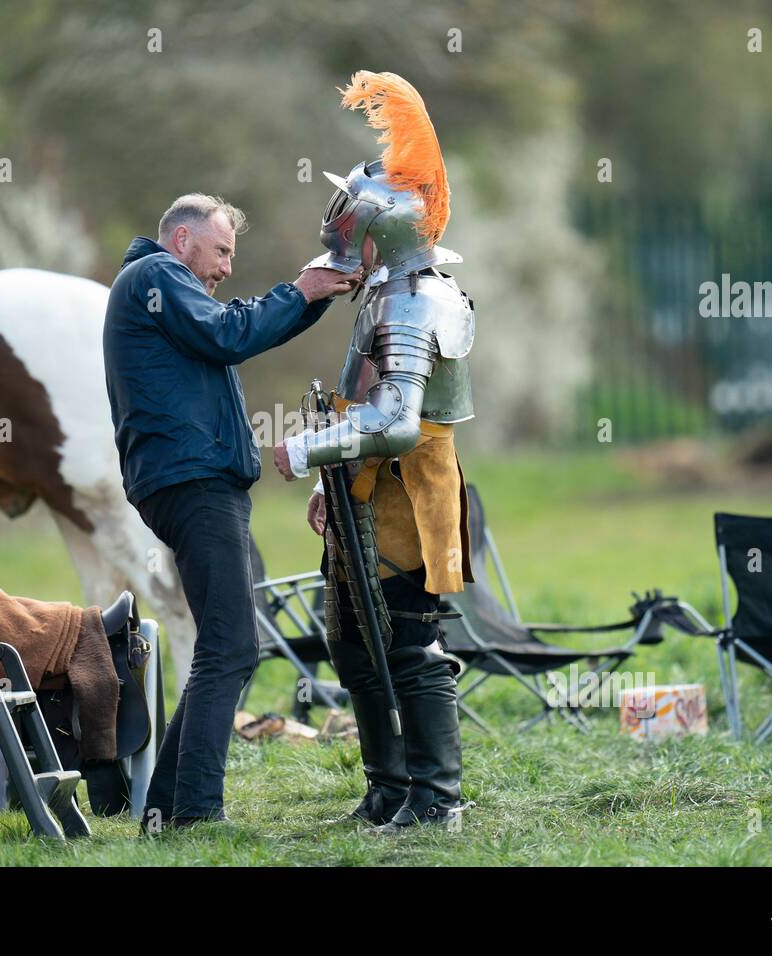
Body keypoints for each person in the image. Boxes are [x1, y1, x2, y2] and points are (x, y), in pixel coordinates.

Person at [104, 193, 359, 830]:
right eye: (220, 251)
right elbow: (228, 334)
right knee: (231, 648)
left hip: (189, 482)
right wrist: (299, 289)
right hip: (194, 483)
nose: (223, 268)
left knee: (228, 647)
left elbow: (237, 329)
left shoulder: (160, 289)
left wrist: (312, 296)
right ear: (182, 238)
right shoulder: (155, 276)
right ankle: (195, 814)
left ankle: (165, 808)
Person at [274, 72, 476, 832]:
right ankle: (389, 788)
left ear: (380, 228)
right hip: (364, 492)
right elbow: (367, 409)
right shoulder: (384, 296)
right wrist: (332, 479)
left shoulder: (420, 299)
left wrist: (304, 448)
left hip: (408, 493)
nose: (341, 232)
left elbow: (395, 421)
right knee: (354, 643)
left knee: (410, 647)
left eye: (352, 222)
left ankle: (438, 799)